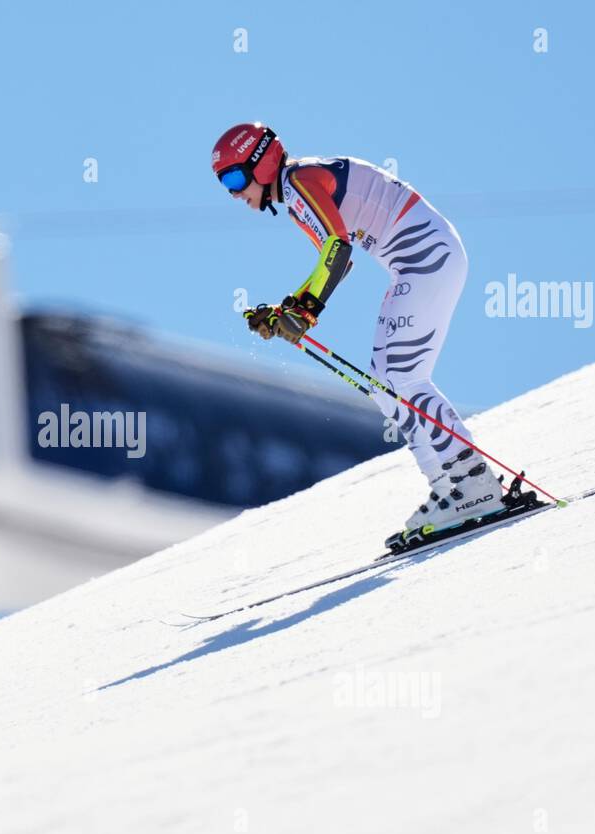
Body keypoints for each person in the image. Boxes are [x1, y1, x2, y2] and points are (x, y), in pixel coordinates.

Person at [211, 121, 503, 533]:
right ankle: (447, 485)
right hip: (421, 260)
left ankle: (473, 481)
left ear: (261, 163)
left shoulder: (298, 181)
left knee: (401, 376)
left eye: (236, 177)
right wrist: (288, 308)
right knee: (385, 381)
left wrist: (305, 310)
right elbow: (336, 261)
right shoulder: (297, 193)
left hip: (425, 258)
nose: (234, 193)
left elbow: (338, 247)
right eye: (225, 184)